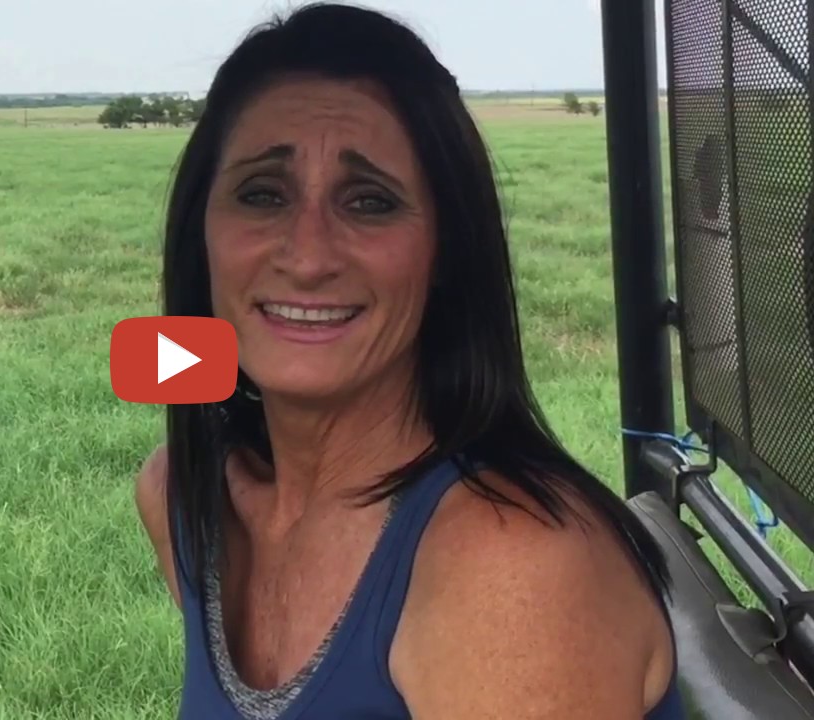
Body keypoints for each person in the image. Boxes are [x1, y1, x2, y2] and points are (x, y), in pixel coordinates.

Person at [134, 4, 687, 719]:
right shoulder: (181, 497)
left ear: (446, 254)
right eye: (262, 194)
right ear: (199, 231)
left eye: (369, 202)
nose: (306, 256)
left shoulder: (512, 566)